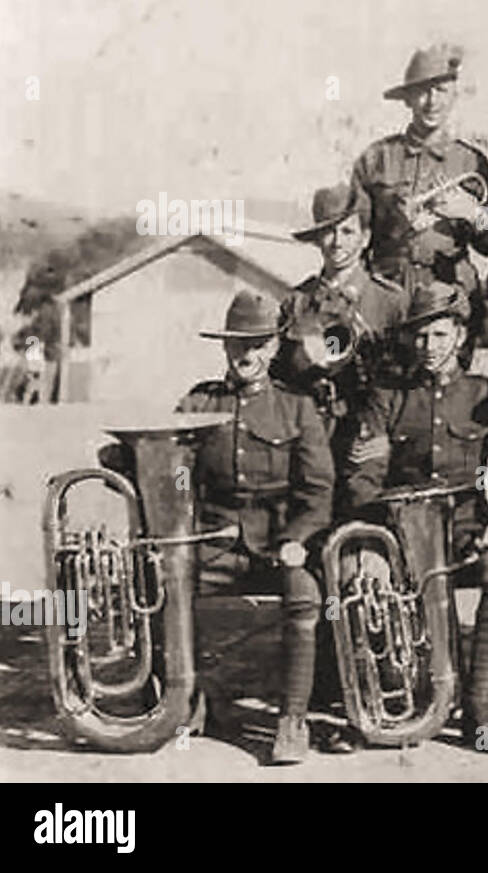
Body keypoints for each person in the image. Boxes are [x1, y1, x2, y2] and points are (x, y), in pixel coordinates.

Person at [342, 282, 488, 753]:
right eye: (421, 337)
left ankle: (480, 709)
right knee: (361, 581)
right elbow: (364, 477)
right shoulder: (387, 398)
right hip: (400, 532)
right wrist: (373, 541)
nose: (429, 348)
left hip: (466, 528)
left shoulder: (485, 396)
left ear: (461, 336)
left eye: (440, 336)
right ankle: (389, 701)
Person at [179, 290, 335, 764]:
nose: (245, 354)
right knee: (165, 584)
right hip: (216, 540)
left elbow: (318, 490)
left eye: (256, 344)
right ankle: (188, 700)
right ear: (224, 348)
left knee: (305, 591)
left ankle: (291, 720)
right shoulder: (199, 400)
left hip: (276, 543)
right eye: (236, 344)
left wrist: (296, 540)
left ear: (272, 348)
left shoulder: (297, 407)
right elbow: (176, 470)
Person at [350, 44, 488, 343]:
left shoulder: (471, 161)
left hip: (449, 292)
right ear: (408, 99)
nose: (431, 102)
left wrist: (474, 214)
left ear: (454, 95)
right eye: (422, 92)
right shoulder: (377, 158)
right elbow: (354, 234)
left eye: (440, 91)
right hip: (389, 292)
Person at [275, 184, 408, 480]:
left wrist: (388, 437)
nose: (337, 243)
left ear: (365, 238)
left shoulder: (390, 301)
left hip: (369, 438)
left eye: (347, 232)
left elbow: (408, 383)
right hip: (309, 437)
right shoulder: (297, 302)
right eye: (328, 232)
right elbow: (280, 380)